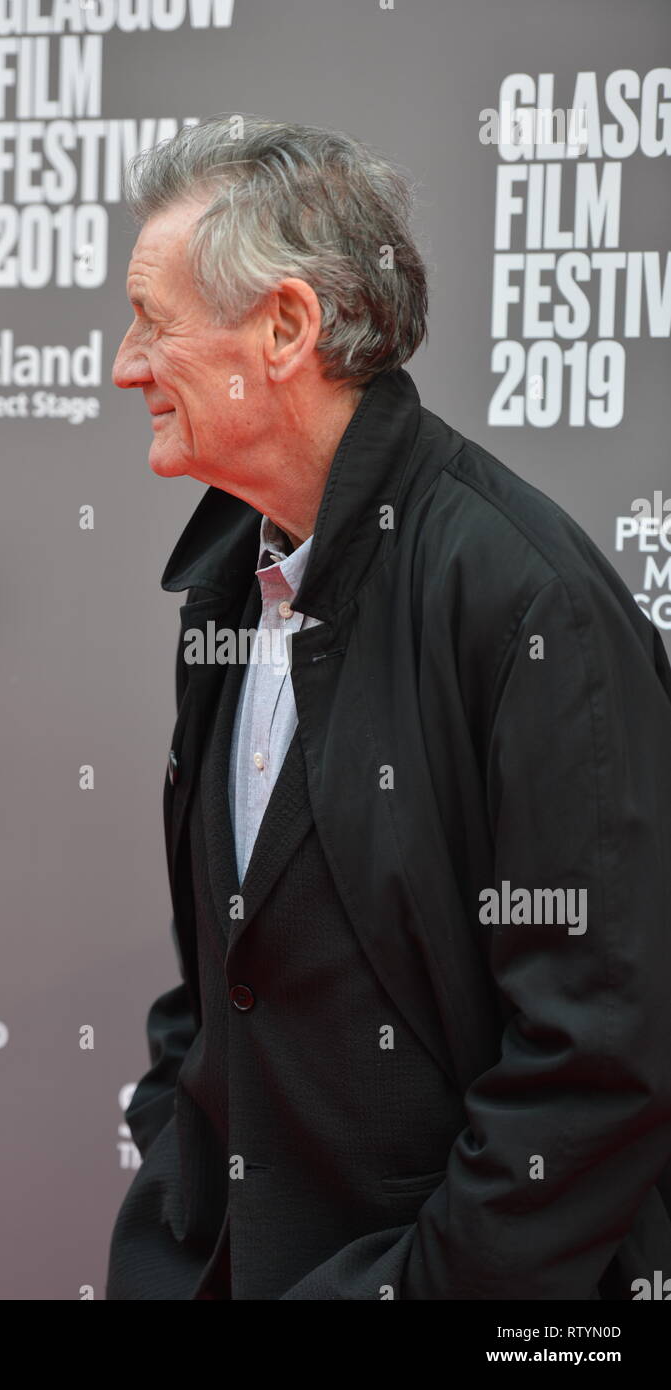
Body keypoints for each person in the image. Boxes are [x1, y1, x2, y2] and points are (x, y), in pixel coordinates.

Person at [105, 115, 671, 1301]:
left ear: (286, 328)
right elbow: (218, 980)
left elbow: (598, 1061)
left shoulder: (527, 601)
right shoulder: (225, 577)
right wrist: (176, 1195)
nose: (123, 365)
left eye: (153, 323)